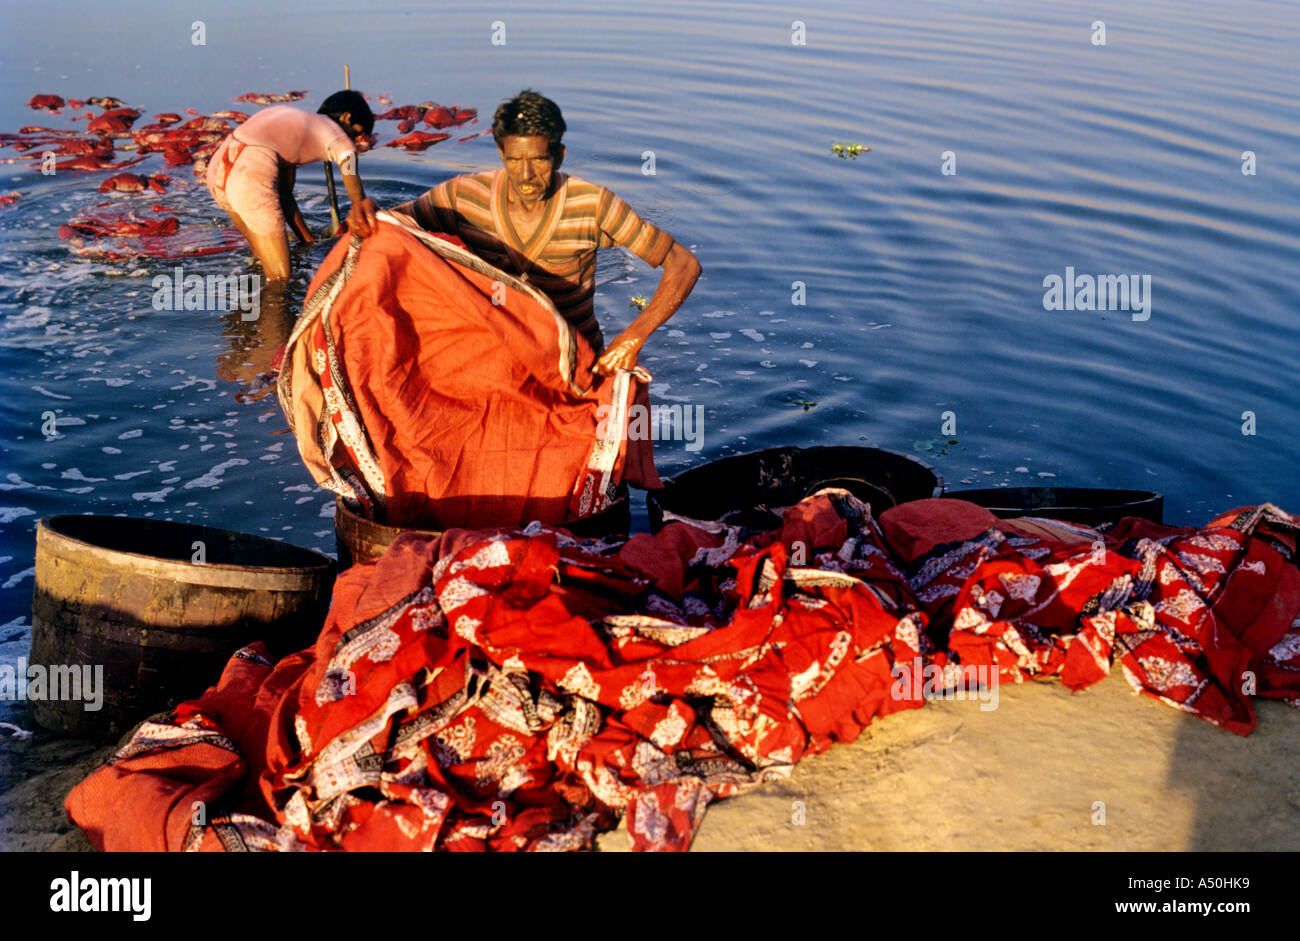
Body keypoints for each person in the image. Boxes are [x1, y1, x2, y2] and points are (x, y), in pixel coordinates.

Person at [347, 89, 700, 376]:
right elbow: (391, 232)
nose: (527, 175)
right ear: (500, 153)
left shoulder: (593, 205)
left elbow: (683, 264)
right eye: (515, 160)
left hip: (573, 362)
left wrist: (633, 337)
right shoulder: (464, 198)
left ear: (559, 157)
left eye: (539, 160)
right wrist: (367, 214)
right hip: (494, 359)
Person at [206, 91, 375, 281]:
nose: (354, 140)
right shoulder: (341, 141)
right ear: (347, 117)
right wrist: (363, 206)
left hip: (219, 167)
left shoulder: (293, 121)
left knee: (261, 261)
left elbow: (285, 196)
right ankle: (276, 308)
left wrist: (309, 243)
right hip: (249, 172)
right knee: (280, 280)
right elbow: (353, 183)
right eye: (358, 133)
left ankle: (249, 308)